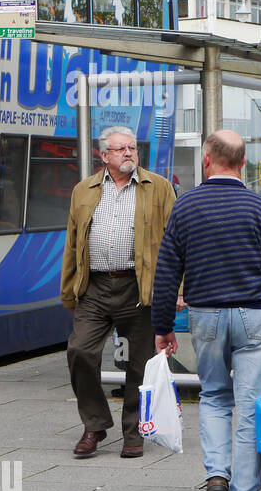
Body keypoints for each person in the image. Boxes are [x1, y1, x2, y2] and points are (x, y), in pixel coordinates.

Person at [153, 130, 261, 491]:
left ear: (207, 161)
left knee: (215, 397)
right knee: (252, 404)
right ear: (243, 162)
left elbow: (167, 270)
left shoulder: (185, 207)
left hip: (205, 316)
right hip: (255, 318)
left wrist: (163, 325)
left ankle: (217, 476)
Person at [61, 126, 176, 459]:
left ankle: (134, 432)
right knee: (80, 351)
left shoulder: (159, 187)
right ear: (104, 156)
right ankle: (95, 424)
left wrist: (177, 289)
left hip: (139, 287)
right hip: (95, 286)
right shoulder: (84, 190)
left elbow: (174, 241)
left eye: (132, 148)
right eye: (121, 149)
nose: (129, 153)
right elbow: (72, 243)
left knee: (138, 365)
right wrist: (69, 292)